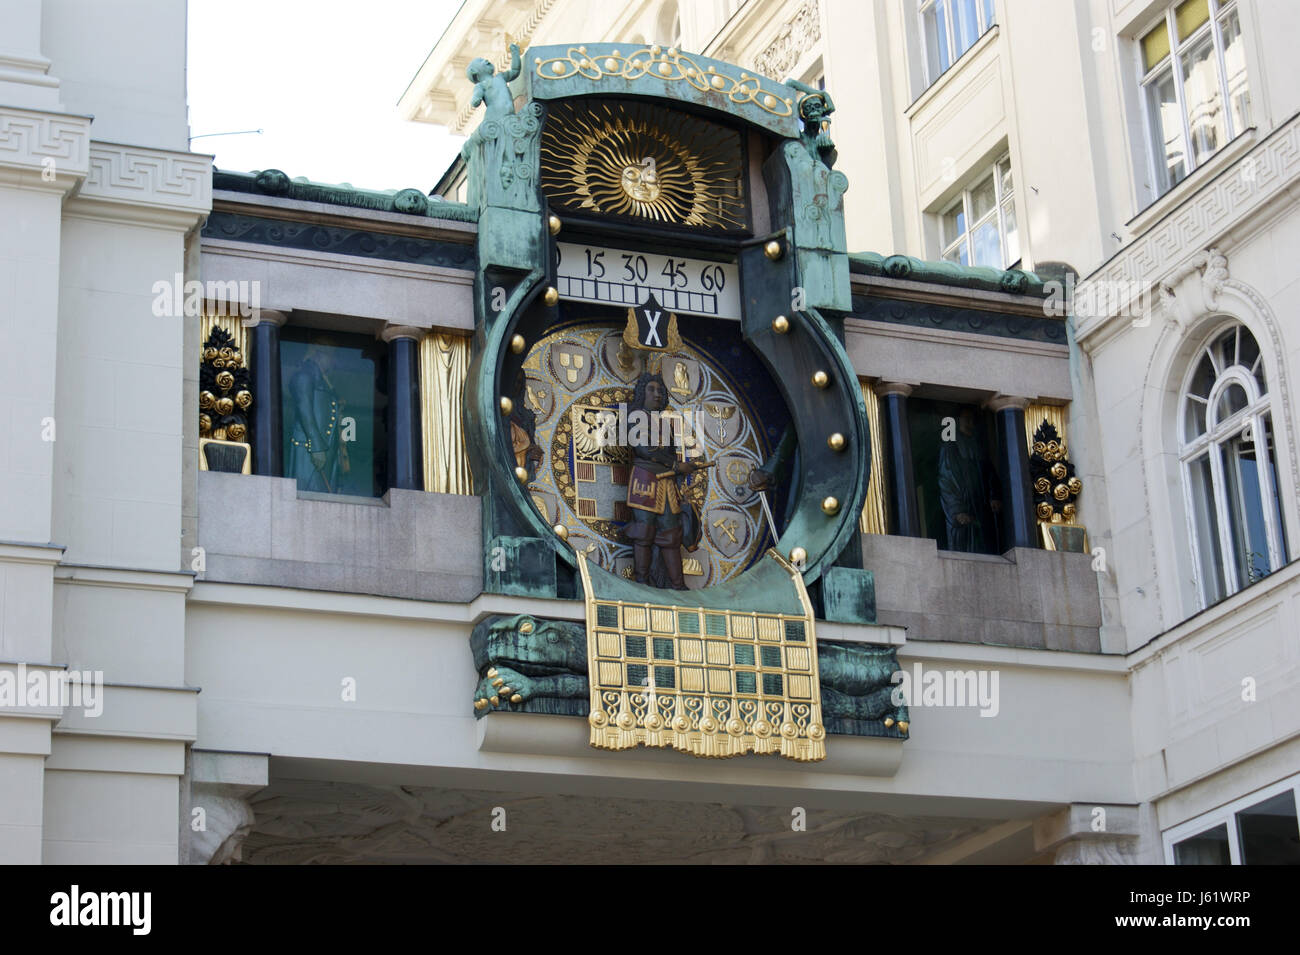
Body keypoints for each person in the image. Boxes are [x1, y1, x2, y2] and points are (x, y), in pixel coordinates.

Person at [623, 372, 705, 589]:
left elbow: (669, 453)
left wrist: (680, 471)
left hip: (667, 483)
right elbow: (643, 449)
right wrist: (677, 466)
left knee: (671, 533)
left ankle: (677, 584)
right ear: (642, 393)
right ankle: (641, 581)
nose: (657, 394)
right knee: (644, 532)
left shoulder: (663, 424)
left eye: (660, 391)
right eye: (651, 390)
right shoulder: (634, 417)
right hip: (645, 479)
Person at [286, 339, 349, 493]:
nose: (333, 362)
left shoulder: (324, 383)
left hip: (323, 454)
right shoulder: (304, 377)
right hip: (311, 452)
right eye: (330, 357)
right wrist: (316, 447)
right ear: (318, 355)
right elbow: (305, 410)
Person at [938, 407, 1001, 553]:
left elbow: (989, 473)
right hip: (963, 507)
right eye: (966, 419)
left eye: (972, 420)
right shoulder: (949, 448)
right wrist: (957, 510)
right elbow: (946, 479)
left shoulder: (978, 446)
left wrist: (994, 496)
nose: (970, 423)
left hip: (982, 506)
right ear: (957, 421)